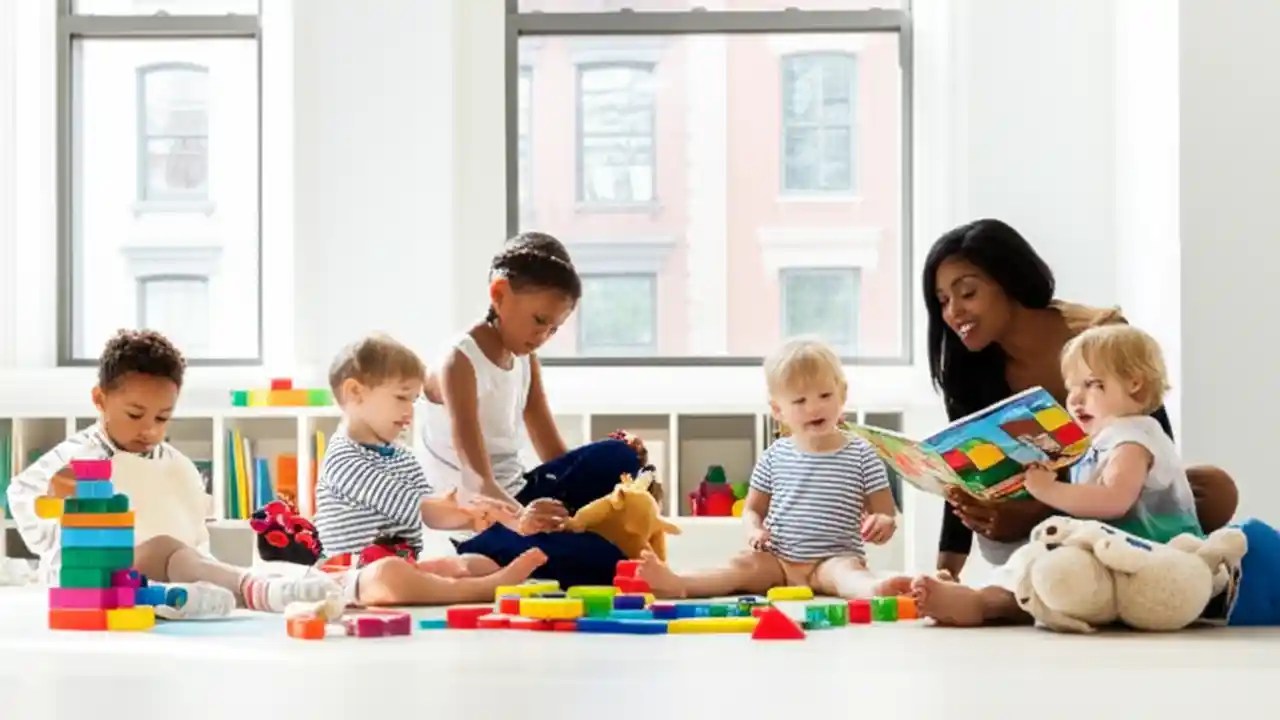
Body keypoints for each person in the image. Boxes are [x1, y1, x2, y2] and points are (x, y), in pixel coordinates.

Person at [911, 218, 1237, 624]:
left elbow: (1153, 441)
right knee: (1062, 561)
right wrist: (949, 567)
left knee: (1213, 488)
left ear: (1009, 280)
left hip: (1111, 495)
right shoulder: (971, 370)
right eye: (941, 301)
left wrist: (1050, 503)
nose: (953, 312)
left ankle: (1160, 572)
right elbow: (959, 472)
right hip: (1037, 515)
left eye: (968, 293)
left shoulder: (1099, 337)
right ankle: (1009, 596)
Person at [6, 329, 338, 616]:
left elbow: (194, 538)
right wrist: (54, 500)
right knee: (166, 548)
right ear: (100, 400)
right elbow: (21, 495)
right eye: (135, 415)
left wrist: (201, 565)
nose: (149, 429)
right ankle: (253, 588)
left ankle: (278, 588)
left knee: (200, 570)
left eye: (162, 418)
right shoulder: (80, 455)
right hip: (94, 577)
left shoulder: (176, 465)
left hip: (156, 578)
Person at [419, 231, 658, 587]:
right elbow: (476, 481)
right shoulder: (459, 362)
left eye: (554, 328)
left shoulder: (525, 360)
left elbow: (555, 455)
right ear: (499, 295)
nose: (544, 335)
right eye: (539, 320)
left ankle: (560, 540)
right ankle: (486, 558)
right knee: (607, 561)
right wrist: (521, 518)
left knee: (619, 457)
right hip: (481, 516)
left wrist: (625, 491)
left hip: (521, 496)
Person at [636, 338, 904, 599]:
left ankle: (876, 590)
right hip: (778, 560)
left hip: (834, 558)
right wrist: (754, 530)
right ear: (778, 409)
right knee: (742, 565)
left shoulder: (862, 454)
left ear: (842, 394)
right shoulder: (774, 456)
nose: (814, 407)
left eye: (825, 395)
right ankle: (680, 583)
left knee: (848, 573)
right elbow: (753, 509)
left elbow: (885, 512)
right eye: (799, 401)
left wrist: (883, 523)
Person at [312, 333, 550, 606]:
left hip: (402, 565)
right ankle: (481, 590)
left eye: (414, 401)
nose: (409, 413)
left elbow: (434, 515)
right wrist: (473, 511)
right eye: (401, 397)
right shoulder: (345, 459)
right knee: (391, 575)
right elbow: (421, 507)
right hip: (351, 576)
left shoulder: (402, 456)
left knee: (477, 563)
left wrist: (477, 517)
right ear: (355, 392)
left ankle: (475, 580)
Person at [1022, 324, 1201, 542]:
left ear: (1134, 383)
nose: (1075, 399)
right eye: (1071, 388)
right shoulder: (1105, 438)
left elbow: (1114, 501)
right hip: (1124, 550)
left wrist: (1048, 489)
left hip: (1158, 551)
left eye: (1091, 384)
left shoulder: (1131, 441)